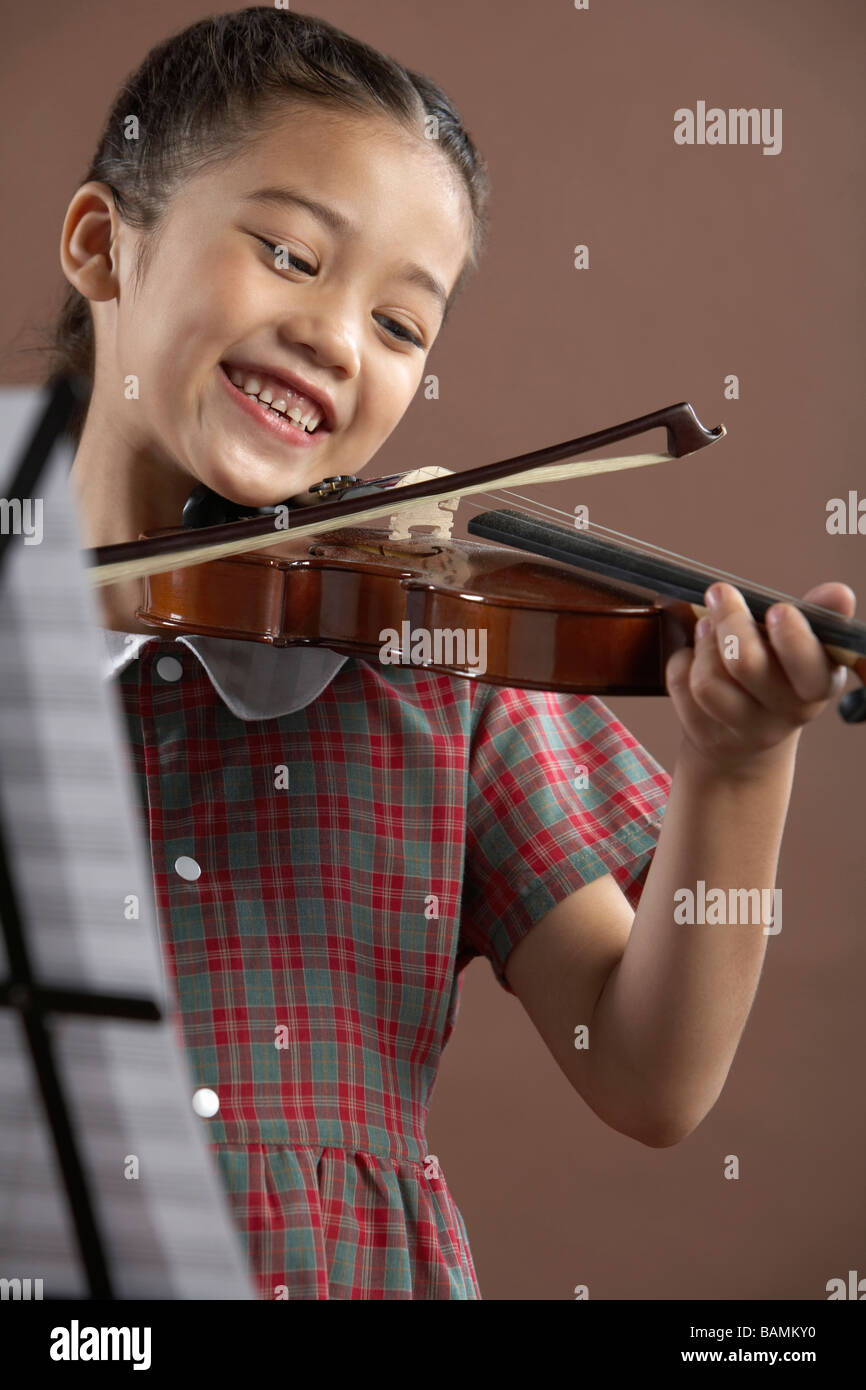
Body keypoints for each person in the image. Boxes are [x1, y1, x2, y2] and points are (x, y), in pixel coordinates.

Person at [53, 8, 855, 1299]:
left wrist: (739, 761)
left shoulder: (429, 657)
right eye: (290, 255)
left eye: (400, 325)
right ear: (105, 243)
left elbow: (647, 1075)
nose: (336, 337)